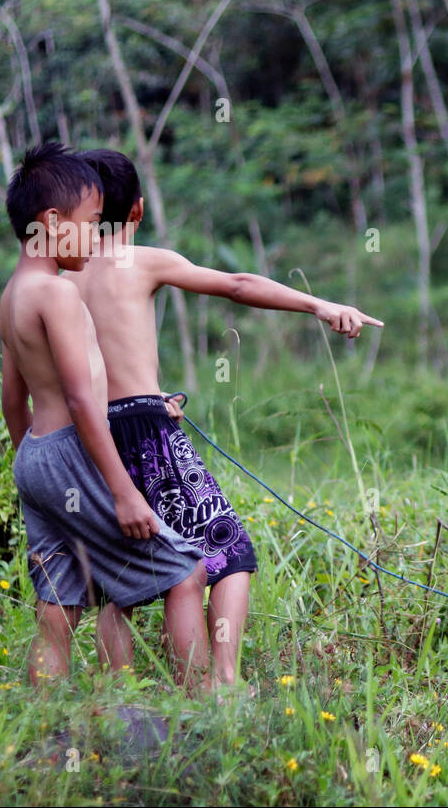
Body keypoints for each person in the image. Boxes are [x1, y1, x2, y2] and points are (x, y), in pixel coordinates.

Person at [67, 148, 383, 691]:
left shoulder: (62, 276)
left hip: (89, 435)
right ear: (137, 210)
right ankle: (219, 681)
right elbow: (237, 284)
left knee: (118, 576)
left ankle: (116, 694)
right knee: (228, 549)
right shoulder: (141, 259)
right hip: (147, 430)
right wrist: (319, 305)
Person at [0, 142, 210, 691]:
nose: (97, 237)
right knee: (187, 572)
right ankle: (206, 708)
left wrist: (34, 467)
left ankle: (49, 727)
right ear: (52, 221)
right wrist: (123, 491)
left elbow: (11, 399)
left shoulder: (13, 294)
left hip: (35, 458)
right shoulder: (58, 295)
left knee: (58, 606)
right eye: (91, 224)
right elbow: (81, 400)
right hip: (70, 450)